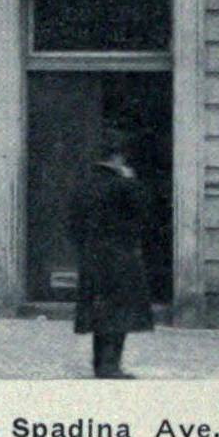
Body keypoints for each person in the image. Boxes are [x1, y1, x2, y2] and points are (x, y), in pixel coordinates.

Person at [67, 126, 154, 379]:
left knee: (100, 311)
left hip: (92, 257)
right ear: (118, 157)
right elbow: (144, 212)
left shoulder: (85, 183)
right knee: (119, 313)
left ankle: (100, 365)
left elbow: (72, 224)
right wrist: (130, 179)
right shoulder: (122, 184)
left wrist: (86, 248)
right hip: (121, 256)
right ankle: (110, 366)